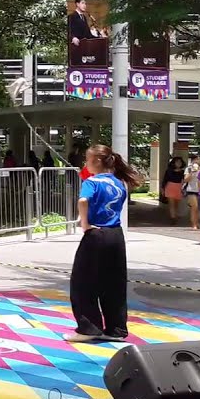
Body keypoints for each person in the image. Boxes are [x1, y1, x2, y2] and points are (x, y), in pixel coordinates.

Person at [66, 144, 142, 343]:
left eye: (87, 159)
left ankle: (88, 327)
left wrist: (85, 224)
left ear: (97, 161)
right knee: (114, 283)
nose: (85, 163)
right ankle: (116, 329)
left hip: (96, 233)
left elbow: (83, 201)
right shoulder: (119, 183)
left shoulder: (92, 182)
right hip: (115, 235)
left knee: (82, 282)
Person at [161, 157, 186, 223]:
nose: (178, 163)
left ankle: (174, 215)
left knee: (176, 204)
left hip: (179, 187)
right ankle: (173, 218)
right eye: (177, 162)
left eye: (180, 162)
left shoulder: (183, 172)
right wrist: (163, 189)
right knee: (171, 204)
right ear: (173, 163)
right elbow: (165, 180)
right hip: (170, 187)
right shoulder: (169, 171)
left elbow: (184, 181)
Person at [183, 152, 200, 230]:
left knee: (199, 208)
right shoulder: (188, 169)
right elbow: (185, 180)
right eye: (195, 159)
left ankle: (197, 222)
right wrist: (192, 172)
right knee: (194, 207)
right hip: (191, 189)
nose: (196, 161)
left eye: (198, 159)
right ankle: (194, 224)